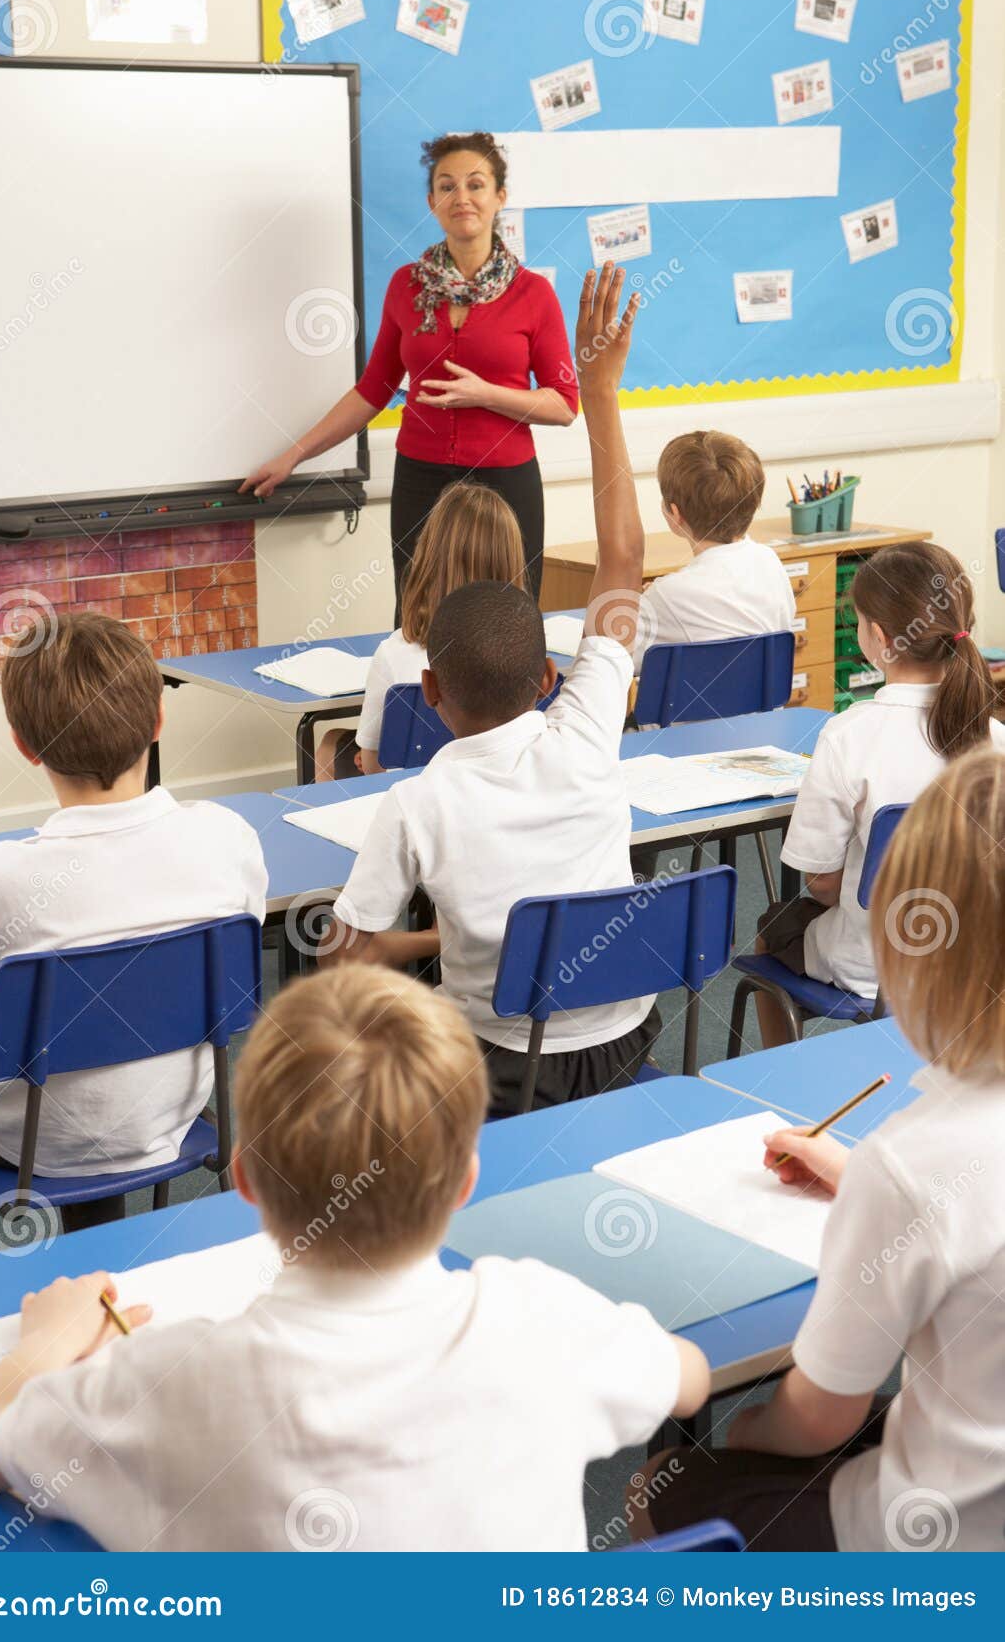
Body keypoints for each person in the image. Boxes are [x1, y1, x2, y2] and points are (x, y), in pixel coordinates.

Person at [0, 965, 710, 1551]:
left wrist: (46, 1342)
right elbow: (690, 1378)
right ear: (465, 1181)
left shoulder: (168, 1381)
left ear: (242, 1175)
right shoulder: (542, 1317)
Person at [630, 749, 1005, 1552]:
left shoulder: (917, 1158)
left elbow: (816, 1418)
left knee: (658, 1488)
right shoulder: (911, 1166)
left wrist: (739, 1439)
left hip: (938, 1540)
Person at [324, 265, 662, 1114]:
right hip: (629, 1036)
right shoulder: (584, 725)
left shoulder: (416, 802)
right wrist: (599, 393)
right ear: (548, 678)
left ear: (429, 688)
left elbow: (345, 959)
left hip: (500, 1066)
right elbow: (623, 562)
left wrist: (424, 944)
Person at [0, 613, 266, 1232]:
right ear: (159, 722)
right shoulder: (230, 840)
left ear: (24, 745)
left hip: (32, 1142)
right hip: (174, 1110)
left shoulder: (1, 878)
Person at [240, 132, 577, 610]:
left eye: (476, 184)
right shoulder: (405, 286)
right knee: (416, 619)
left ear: (500, 197)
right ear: (431, 202)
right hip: (421, 479)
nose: (461, 197)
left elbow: (564, 404)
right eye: (447, 186)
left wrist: (487, 394)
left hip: (505, 484)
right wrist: (293, 457)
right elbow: (372, 390)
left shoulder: (533, 294)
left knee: (509, 617)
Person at [754, 541, 1004, 1044]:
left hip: (874, 966)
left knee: (769, 931)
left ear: (876, 637)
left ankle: (780, 1077)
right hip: (978, 962)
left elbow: (820, 881)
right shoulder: (996, 739)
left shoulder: (849, 734)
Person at [315, 481, 527, 781]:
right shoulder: (526, 653)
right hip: (500, 797)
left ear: (428, 558)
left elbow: (375, 768)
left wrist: (367, 758)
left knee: (329, 744)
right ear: (513, 564)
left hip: (417, 805)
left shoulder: (393, 654)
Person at [635, 429, 794, 660]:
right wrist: (657, 600)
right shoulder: (770, 562)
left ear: (675, 514)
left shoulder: (668, 595)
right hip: (762, 698)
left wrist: (651, 602)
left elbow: (614, 655)